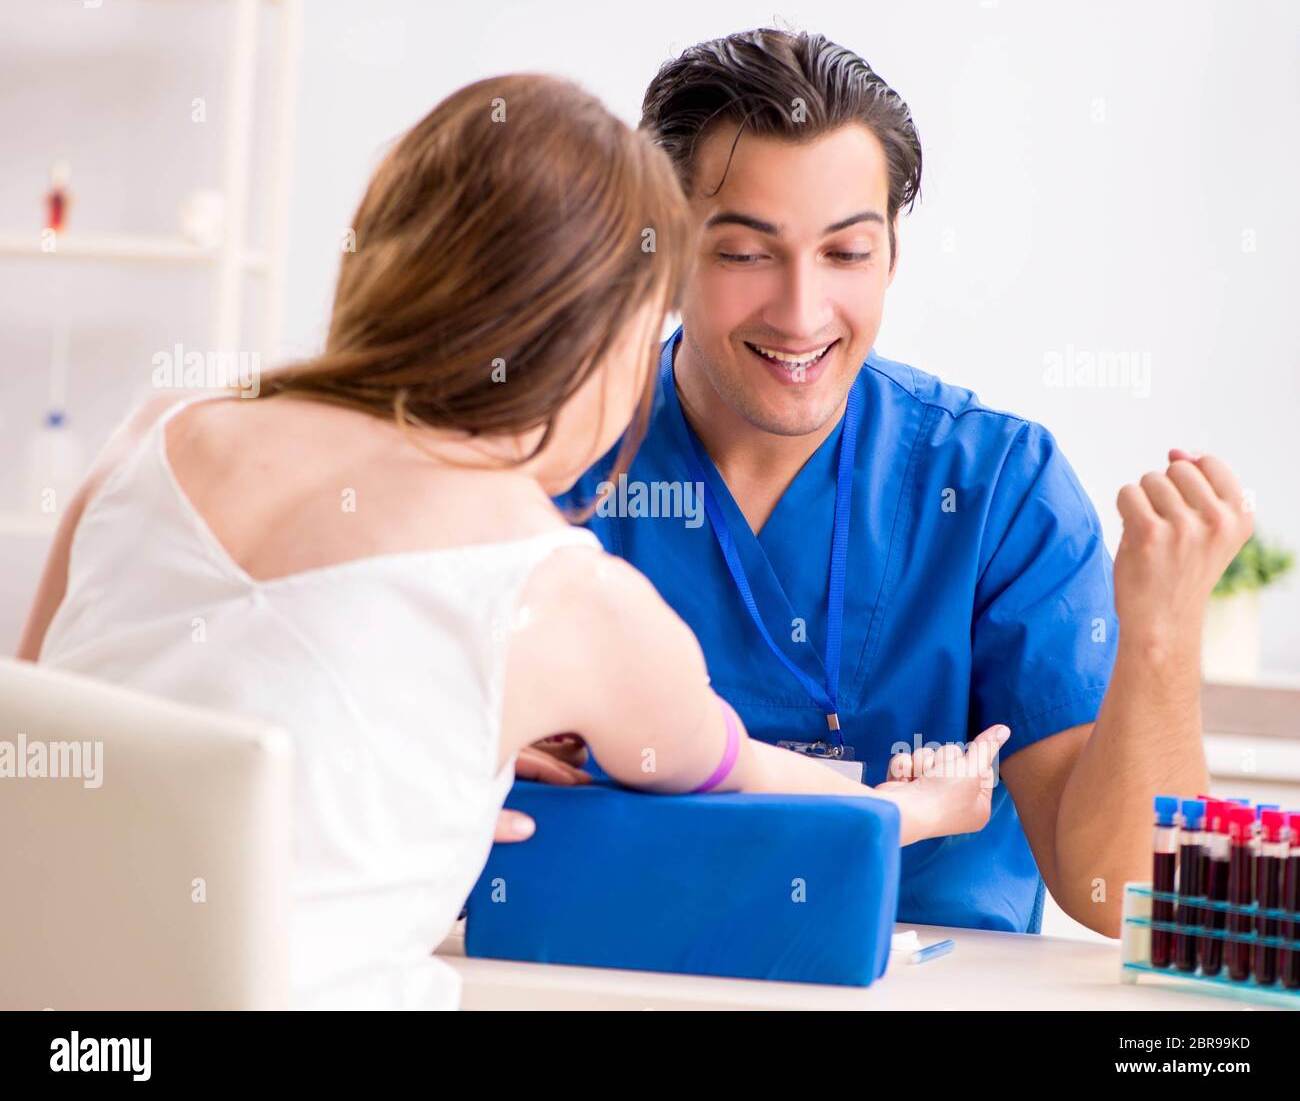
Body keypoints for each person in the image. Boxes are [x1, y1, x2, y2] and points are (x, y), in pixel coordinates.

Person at [17, 74, 1002, 1010]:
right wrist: (916, 806)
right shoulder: (566, 593)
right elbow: (746, 776)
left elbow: (41, 736)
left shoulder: (156, 429)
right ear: (610, 337)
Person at [560, 28, 1255, 938]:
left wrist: (1161, 637)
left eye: (845, 253)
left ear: (892, 254)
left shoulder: (997, 486)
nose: (802, 312)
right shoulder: (553, 459)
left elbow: (1121, 898)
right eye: (743, 253)